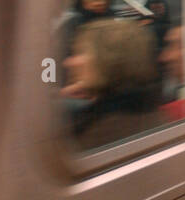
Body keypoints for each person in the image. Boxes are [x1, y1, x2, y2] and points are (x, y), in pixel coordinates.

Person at [62, 17, 161, 150]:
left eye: (80, 52)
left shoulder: (103, 136)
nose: (69, 62)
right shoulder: (145, 110)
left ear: (109, 61)